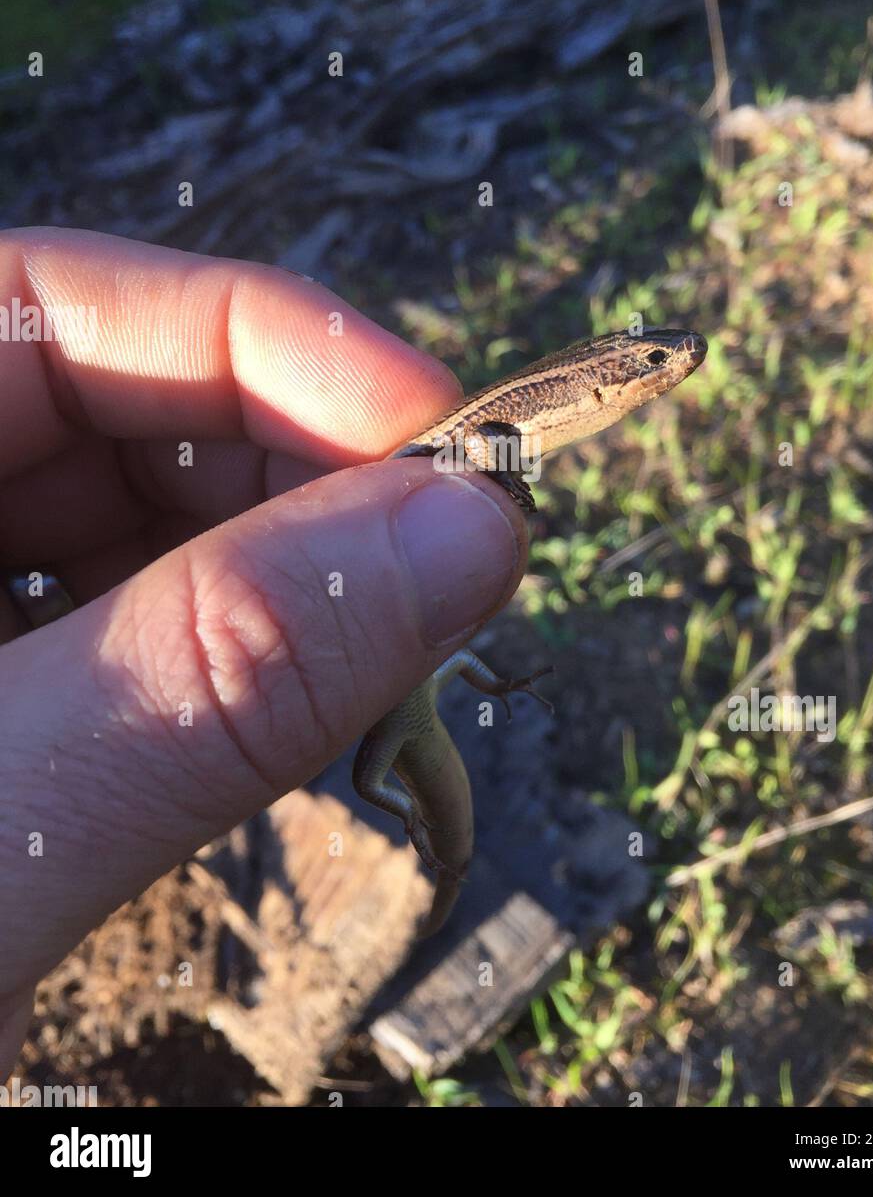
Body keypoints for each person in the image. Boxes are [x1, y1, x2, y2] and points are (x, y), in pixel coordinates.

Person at [0, 226, 529, 1078]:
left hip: (412, 703)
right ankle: (440, 859)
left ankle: (445, 861)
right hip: (403, 712)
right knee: (379, 786)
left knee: (400, 784)